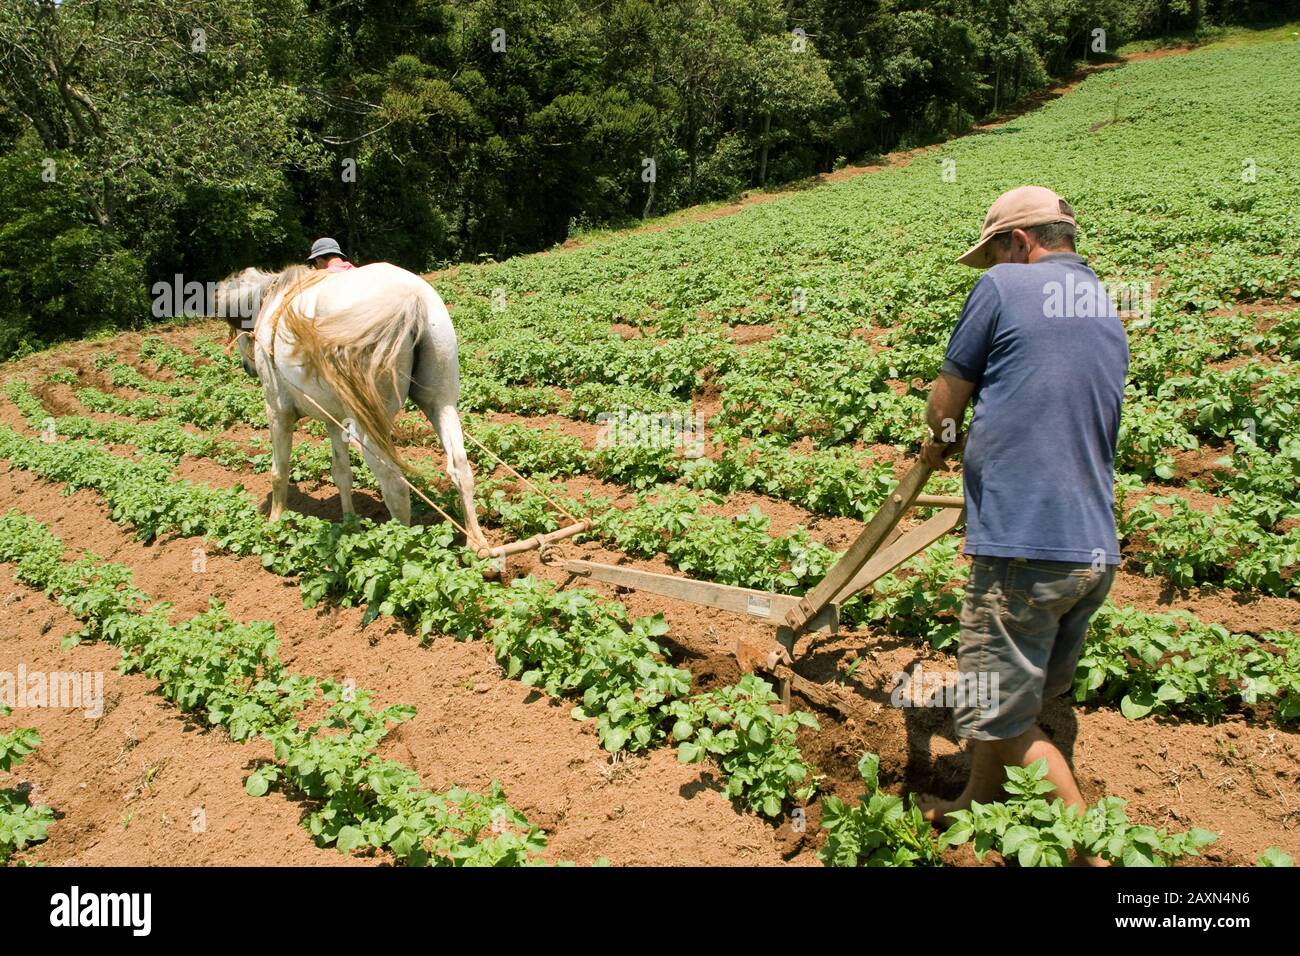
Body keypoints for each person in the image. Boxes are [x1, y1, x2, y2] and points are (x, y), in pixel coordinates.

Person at [916, 186, 1129, 860]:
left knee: (1005, 721)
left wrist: (940, 442)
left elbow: (948, 398)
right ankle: (975, 802)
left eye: (996, 253)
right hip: (1092, 551)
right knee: (1015, 703)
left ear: (1018, 243)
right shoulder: (1102, 304)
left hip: (1025, 548)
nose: (994, 265)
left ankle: (1091, 857)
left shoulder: (1006, 285)